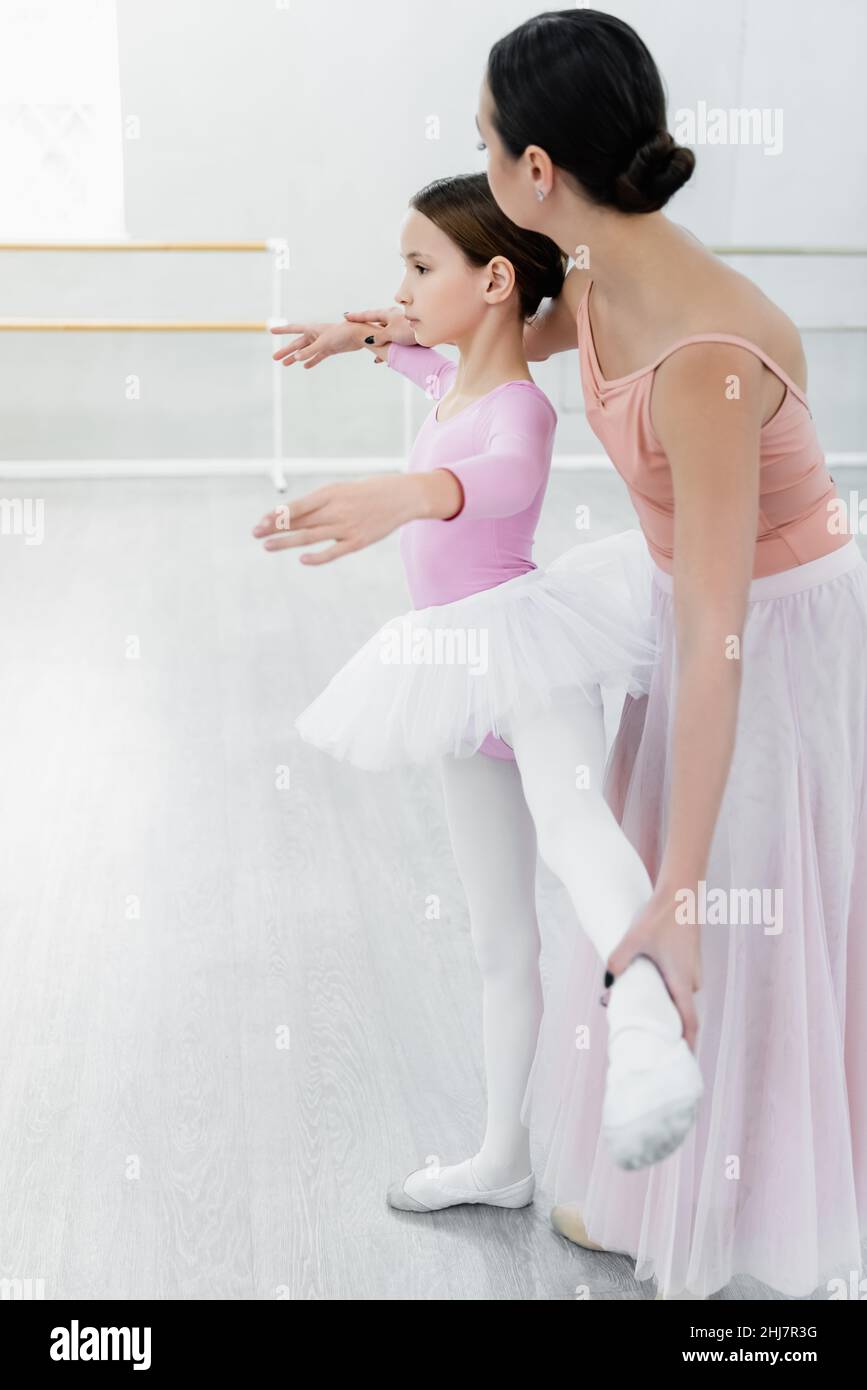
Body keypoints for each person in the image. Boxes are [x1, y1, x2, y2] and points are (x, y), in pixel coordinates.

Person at [268, 6, 867, 1302]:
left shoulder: (704, 355)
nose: (479, 167)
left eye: (485, 146)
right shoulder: (591, 269)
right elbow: (502, 339)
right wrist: (368, 330)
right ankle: (680, 1155)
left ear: (536, 171)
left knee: (728, 892)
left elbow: (719, 635)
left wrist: (686, 889)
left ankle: (761, 1194)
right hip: (685, 597)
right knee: (649, 856)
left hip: (766, 624)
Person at [255, 169, 704, 1217]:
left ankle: (650, 1001)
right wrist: (353, 337)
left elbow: (503, 476)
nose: (400, 288)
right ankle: (502, 1155)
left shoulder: (518, 406)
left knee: (572, 821)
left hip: (527, 652)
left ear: (496, 278)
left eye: (420, 267)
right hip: (453, 672)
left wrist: (416, 493)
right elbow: (418, 365)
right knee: (498, 936)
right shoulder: (454, 381)